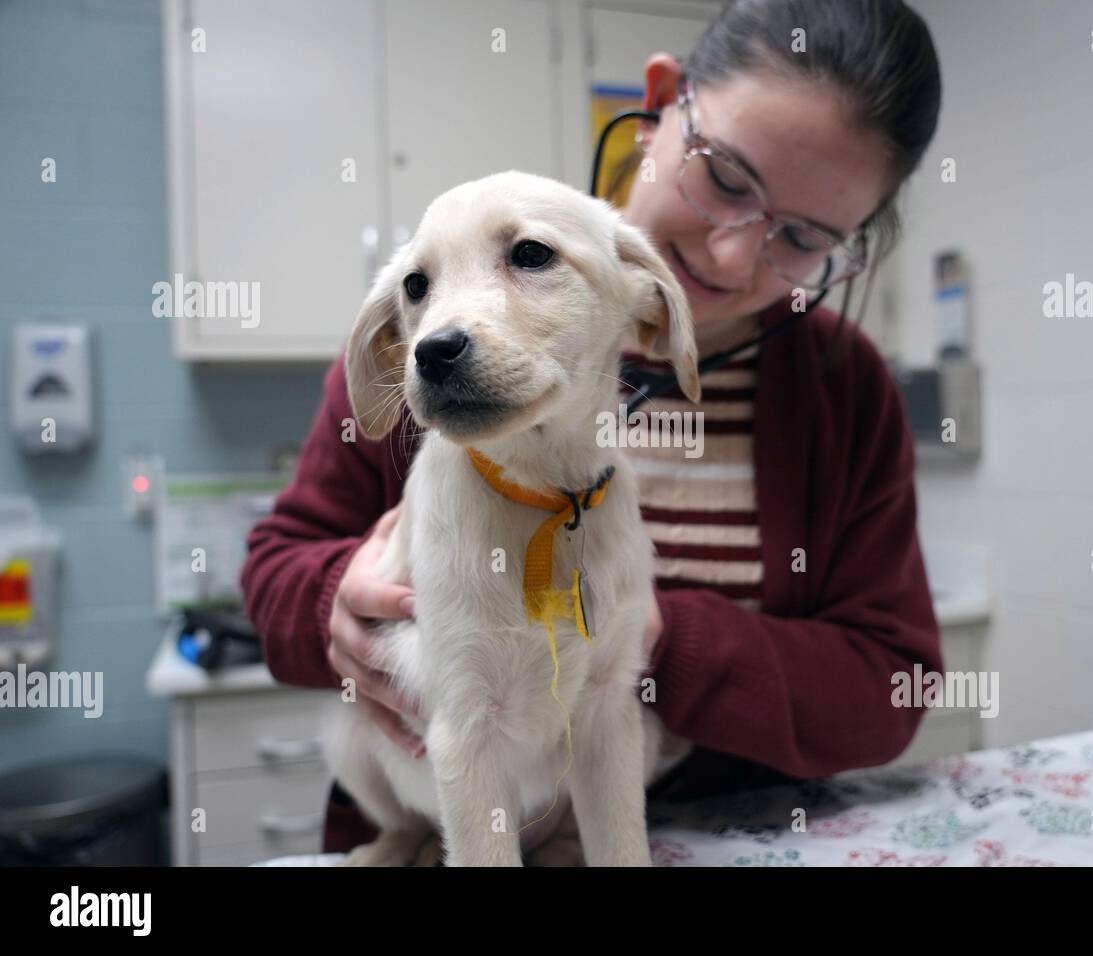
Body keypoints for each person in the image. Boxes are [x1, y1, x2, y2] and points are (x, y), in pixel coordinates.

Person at [240, 0, 945, 856]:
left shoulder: (847, 394)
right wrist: (336, 602)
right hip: (433, 814)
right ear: (658, 105)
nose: (730, 254)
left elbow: (893, 690)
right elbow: (273, 568)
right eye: (725, 178)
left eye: (800, 236)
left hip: (715, 830)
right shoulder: (434, 341)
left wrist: (646, 636)